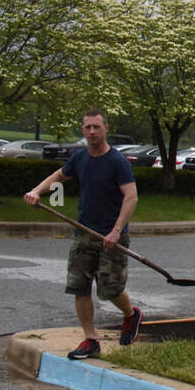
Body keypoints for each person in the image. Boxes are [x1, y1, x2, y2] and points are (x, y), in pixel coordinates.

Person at [24, 108, 142, 360]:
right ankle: (91, 340)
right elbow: (59, 176)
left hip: (112, 235)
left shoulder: (117, 162)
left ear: (106, 129)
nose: (91, 132)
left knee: (110, 290)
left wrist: (116, 231)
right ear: (83, 130)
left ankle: (131, 315)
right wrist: (36, 191)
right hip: (84, 233)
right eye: (87, 127)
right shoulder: (80, 158)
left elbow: (131, 197)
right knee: (79, 286)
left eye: (96, 127)